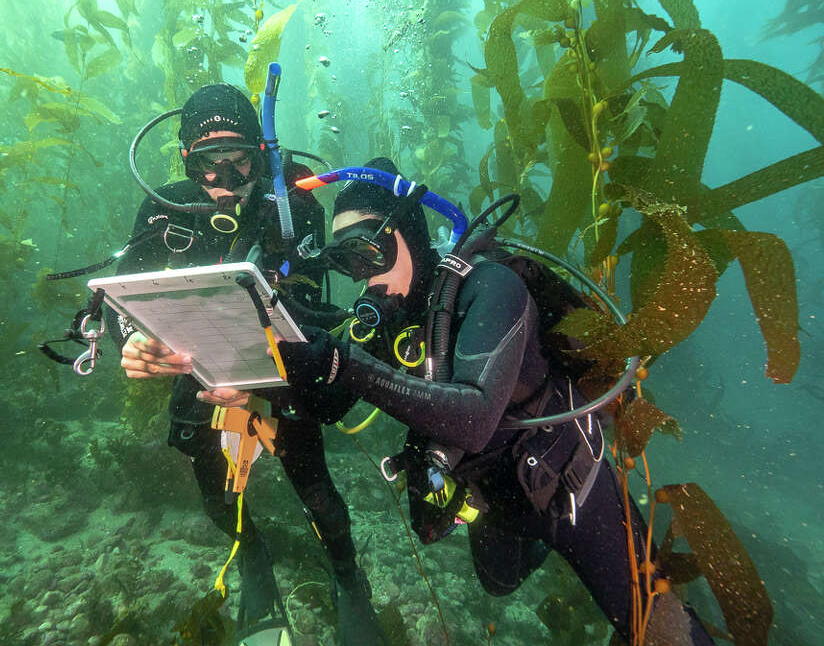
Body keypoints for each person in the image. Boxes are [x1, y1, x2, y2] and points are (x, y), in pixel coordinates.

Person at [273, 157, 716, 645]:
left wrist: (345, 364)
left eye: (370, 253)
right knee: (498, 582)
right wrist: (266, 369)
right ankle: (542, 548)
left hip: (572, 488)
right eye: (347, 262)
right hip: (494, 496)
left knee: (654, 624)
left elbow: (475, 418)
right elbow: (329, 404)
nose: (365, 277)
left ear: (410, 235)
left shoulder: (490, 287)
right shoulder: (396, 313)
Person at [107, 84, 385, 646]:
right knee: (216, 494)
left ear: (262, 154)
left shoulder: (293, 207)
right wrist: (132, 340)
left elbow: (313, 310)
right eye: (208, 165)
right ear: (186, 161)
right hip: (200, 374)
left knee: (319, 494)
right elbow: (119, 297)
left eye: (239, 161)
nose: (225, 180)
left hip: (283, 373)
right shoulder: (165, 208)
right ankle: (253, 555)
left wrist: (265, 373)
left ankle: (347, 577)